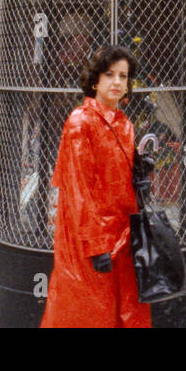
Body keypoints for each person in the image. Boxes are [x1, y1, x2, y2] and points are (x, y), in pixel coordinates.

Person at [41, 45, 151, 329]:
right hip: (90, 238)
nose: (117, 82)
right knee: (90, 312)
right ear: (95, 81)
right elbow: (78, 189)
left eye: (123, 76)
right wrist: (95, 244)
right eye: (109, 74)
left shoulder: (124, 123)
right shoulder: (81, 121)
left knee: (121, 308)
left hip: (122, 234)